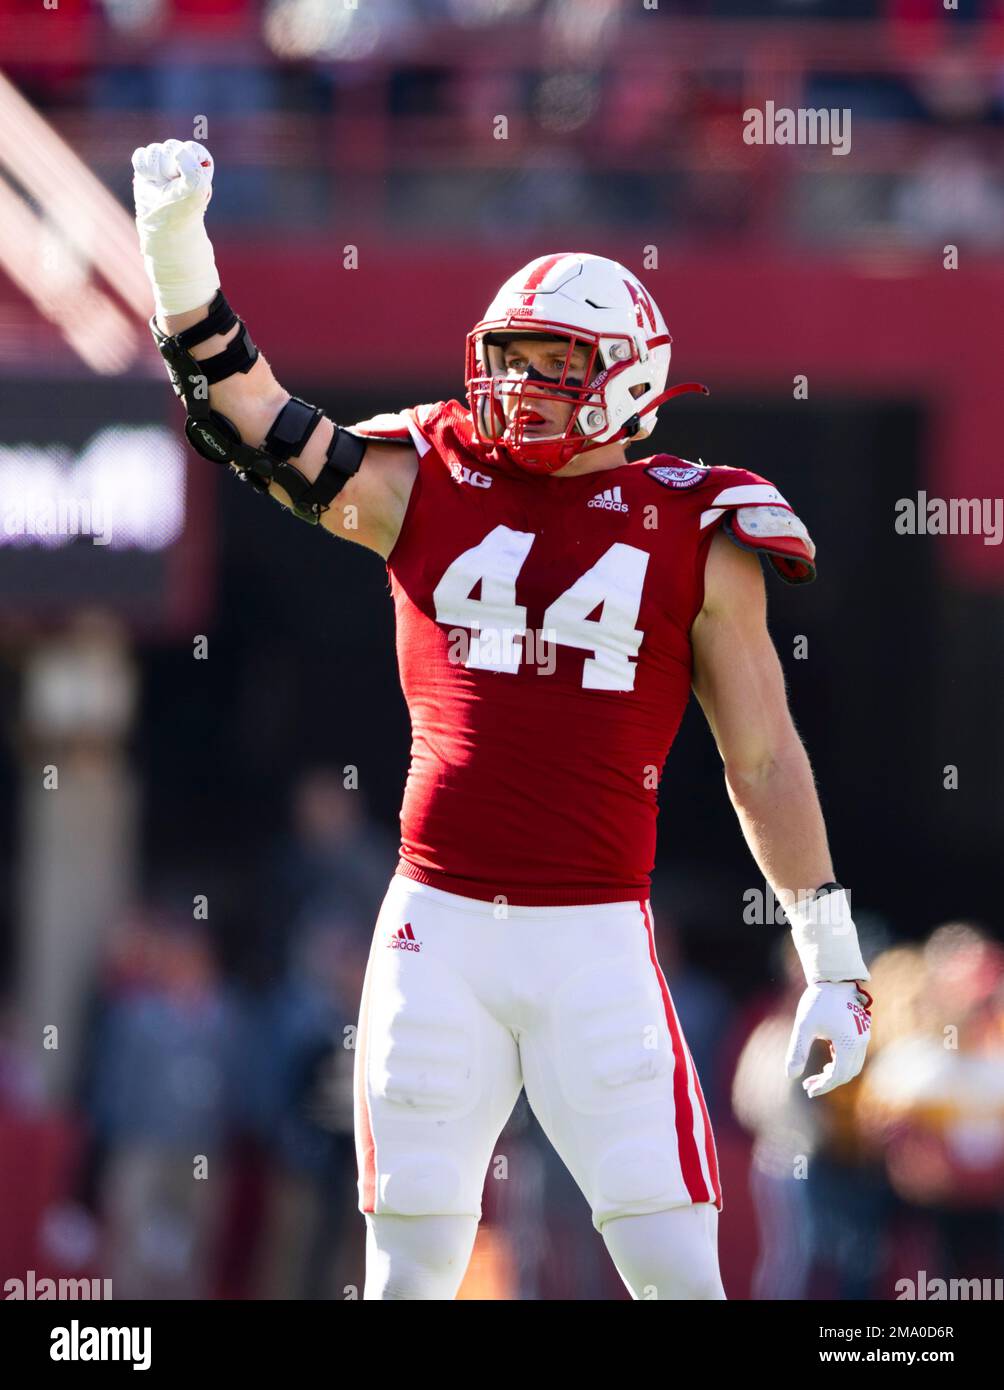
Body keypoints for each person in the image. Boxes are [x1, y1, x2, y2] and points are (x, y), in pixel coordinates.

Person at [132, 138, 874, 1301]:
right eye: (509, 357)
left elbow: (761, 751)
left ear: (630, 375)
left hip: (596, 942)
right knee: (410, 1269)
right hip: (437, 931)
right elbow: (247, 419)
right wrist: (177, 252)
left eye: (555, 360)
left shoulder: (699, 521)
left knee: (677, 1269)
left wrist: (828, 955)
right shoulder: (425, 471)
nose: (521, 384)